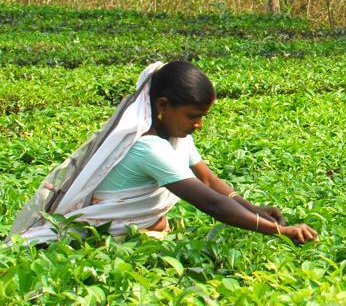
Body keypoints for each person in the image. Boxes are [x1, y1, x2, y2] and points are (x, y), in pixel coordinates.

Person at [9, 61, 317, 244]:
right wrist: (280, 230)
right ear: (163, 107)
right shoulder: (148, 147)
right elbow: (211, 203)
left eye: (202, 117)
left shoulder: (174, 135)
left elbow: (211, 182)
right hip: (105, 243)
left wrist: (256, 210)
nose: (198, 125)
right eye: (193, 116)